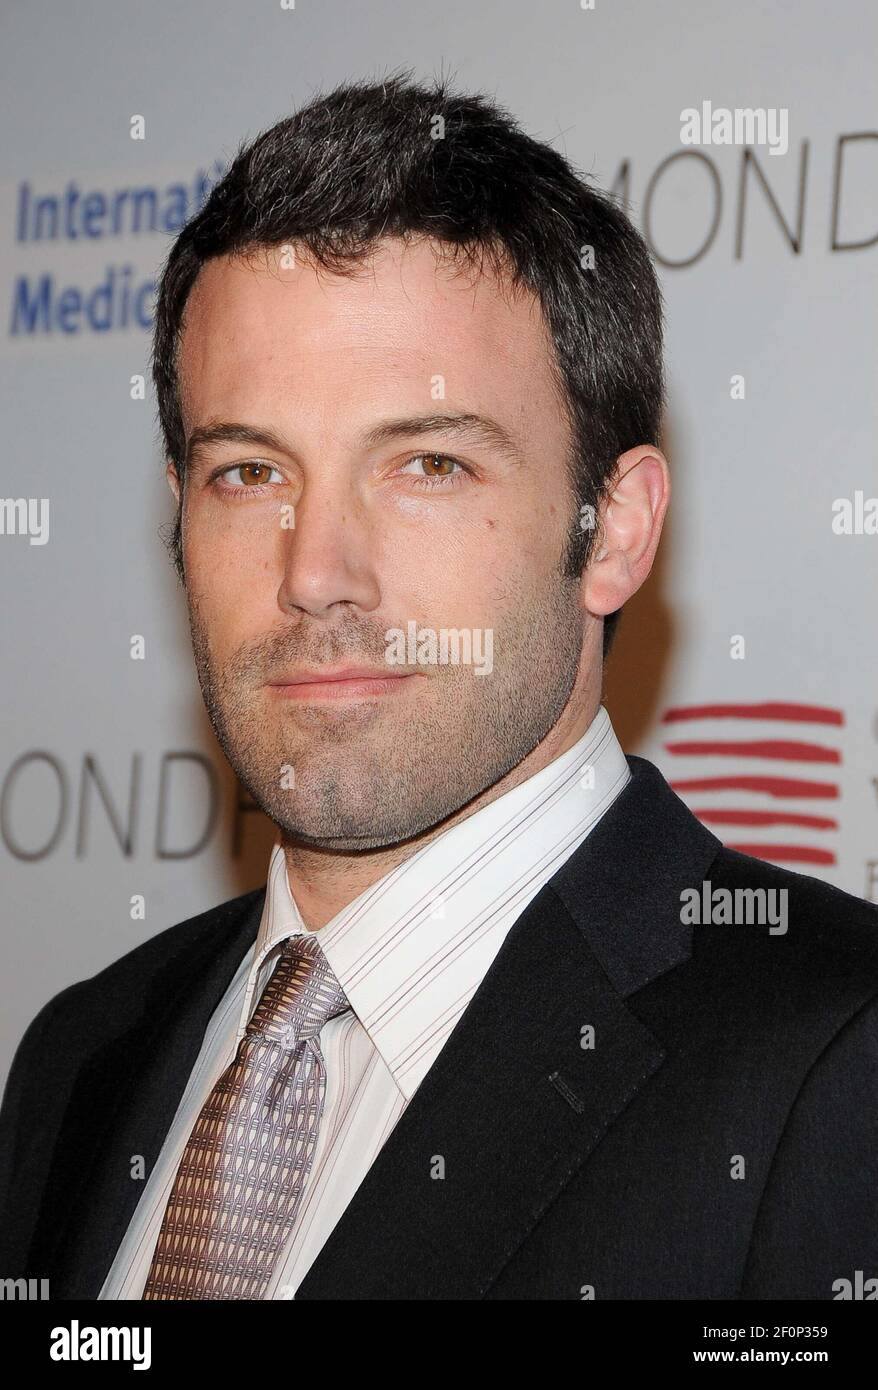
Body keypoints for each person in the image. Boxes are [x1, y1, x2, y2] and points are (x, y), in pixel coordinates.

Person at [1, 72, 876, 1302]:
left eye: (425, 464)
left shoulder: (836, 1064)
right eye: (249, 472)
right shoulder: (81, 1055)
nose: (314, 573)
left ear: (614, 529)